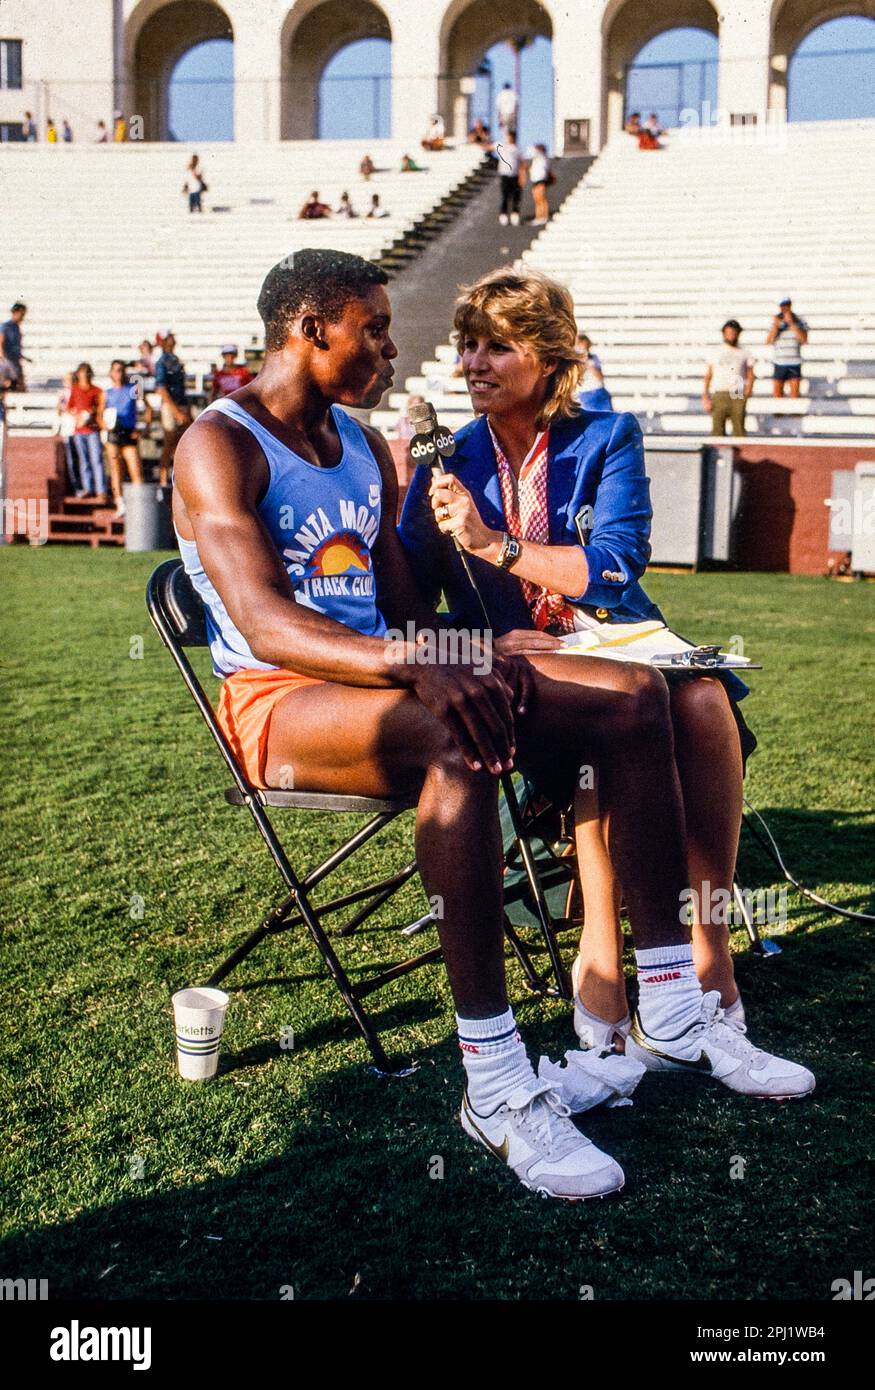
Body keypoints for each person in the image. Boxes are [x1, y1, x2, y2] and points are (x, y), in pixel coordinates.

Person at [173, 248, 804, 1207]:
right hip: (278, 700)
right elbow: (264, 624)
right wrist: (427, 662)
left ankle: (670, 1003)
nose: (391, 347)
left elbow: (397, 603)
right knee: (454, 734)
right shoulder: (218, 442)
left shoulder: (353, 440)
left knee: (632, 697)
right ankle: (497, 1083)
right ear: (309, 331)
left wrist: (473, 648)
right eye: (372, 329)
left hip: (387, 681)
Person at [399, 266, 814, 1102]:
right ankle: (616, 966)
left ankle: (706, 957)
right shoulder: (444, 456)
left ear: (550, 358)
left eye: (497, 346)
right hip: (519, 661)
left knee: (695, 696)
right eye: (466, 346)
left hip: (617, 635)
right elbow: (408, 596)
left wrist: (494, 545)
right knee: (625, 705)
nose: (473, 363)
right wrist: (468, 625)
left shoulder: (607, 434)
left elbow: (616, 565)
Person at [103, 360, 144, 517]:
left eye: (121, 370)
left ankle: (139, 504)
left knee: (135, 469)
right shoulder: (106, 393)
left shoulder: (132, 390)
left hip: (128, 432)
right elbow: (101, 415)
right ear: (111, 373)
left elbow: (146, 410)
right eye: (116, 370)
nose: (118, 373)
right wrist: (106, 424)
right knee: (115, 469)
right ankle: (120, 503)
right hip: (113, 433)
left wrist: (142, 429)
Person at [703, 320, 755, 437]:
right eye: (728, 332)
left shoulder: (745, 352)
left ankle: (739, 455)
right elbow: (708, 375)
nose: (731, 335)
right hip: (720, 392)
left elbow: (750, 373)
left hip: (737, 392)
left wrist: (748, 390)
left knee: (739, 430)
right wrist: (706, 396)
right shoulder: (716, 351)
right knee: (717, 430)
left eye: (733, 333)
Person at [154, 332, 191, 486]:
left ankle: (176, 478)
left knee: (180, 442)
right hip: (171, 405)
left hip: (179, 404)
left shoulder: (174, 360)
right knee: (169, 441)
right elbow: (161, 388)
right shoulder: (162, 362)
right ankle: (163, 478)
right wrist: (176, 411)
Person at [66, 362, 107, 500]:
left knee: (96, 459)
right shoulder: (75, 389)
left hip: (92, 429)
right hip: (79, 430)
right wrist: (77, 416)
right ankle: (88, 487)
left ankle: (101, 490)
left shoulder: (96, 390)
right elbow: (69, 407)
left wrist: (92, 412)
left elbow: (101, 407)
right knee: (84, 461)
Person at [767, 297, 809, 398]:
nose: (785, 308)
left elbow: (804, 340)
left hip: (794, 362)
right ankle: (778, 414)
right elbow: (768, 341)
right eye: (783, 306)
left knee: (794, 396)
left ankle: (794, 414)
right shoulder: (776, 321)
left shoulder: (799, 320)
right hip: (779, 362)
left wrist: (791, 323)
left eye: (787, 305)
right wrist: (775, 327)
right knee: (777, 395)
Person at [56, 372, 83, 496]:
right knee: (71, 460)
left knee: (80, 458)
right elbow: (59, 410)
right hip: (67, 429)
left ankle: (82, 485)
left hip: (78, 429)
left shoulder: (79, 393)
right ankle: (75, 486)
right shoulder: (62, 394)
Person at [576, 333, 613, 411]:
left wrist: (588, 363)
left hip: (599, 390)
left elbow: (600, 378)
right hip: (586, 393)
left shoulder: (593, 358)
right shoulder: (574, 361)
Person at [0, 303, 28, 391]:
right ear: (15, 312)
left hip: (15, 360)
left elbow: (15, 345)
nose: (23, 317)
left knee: (19, 384)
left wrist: (23, 357)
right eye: (21, 314)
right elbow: (1, 342)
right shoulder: (6, 326)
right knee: (12, 383)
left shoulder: (16, 327)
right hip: (8, 360)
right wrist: (3, 357)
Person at [497, 130, 522, 226]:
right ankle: (503, 214)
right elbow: (489, 147)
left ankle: (515, 214)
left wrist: (522, 175)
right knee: (505, 195)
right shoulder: (501, 146)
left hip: (514, 175)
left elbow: (521, 162)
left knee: (516, 196)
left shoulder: (516, 149)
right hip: (505, 175)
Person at [527, 142, 552, 225]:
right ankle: (539, 216)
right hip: (535, 181)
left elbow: (531, 150)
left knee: (541, 199)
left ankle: (544, 216)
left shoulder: (542, 157)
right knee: (537, 200)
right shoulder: (537, 159)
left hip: (541, 180)